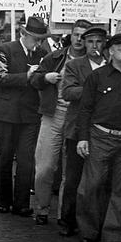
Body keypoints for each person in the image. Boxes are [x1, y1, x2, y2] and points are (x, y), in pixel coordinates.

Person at [75, 31, 121, 242]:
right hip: (100, 136)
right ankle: (88, 229)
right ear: (110, 52)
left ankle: (114, 234)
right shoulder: (97, 76)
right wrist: (83, 138)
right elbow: (85, 109)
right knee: (92, 184)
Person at [29, 20, 89, 226]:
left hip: (78, 119)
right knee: (45, 166)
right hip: (53, 114)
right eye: (76, 34)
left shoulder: (95, 62)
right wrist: (46, 76)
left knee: (70, 171)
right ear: (70, 36)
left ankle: (64, 214)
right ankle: (42, 208)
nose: (80, 39)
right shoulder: (54, 57)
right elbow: (34, 79)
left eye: (84, 36)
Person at [0, 16, 49, 215]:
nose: (39, 43)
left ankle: (22, 203)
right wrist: (27, 76)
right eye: (35, 39)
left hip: (30, 114)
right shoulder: (4, 49)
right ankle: (4, 201)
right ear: (23, 34)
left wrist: (42, 78)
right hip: (6, 113)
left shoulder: (42, 54)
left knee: (26, 160)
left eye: (41, 39)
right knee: (5, 158)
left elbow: (41, 81)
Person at [57, 24, 107, 237]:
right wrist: (94, 90)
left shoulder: (114, 64)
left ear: (105, 44)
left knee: (99, 179)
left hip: (105, 130)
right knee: (74, 177)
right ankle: (68, 220)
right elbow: (67, 91)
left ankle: (96, 222)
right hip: (78, 128)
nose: (94, 46)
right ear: (84, 44)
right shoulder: (75, 65)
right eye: (90, 41)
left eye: (98, 41)